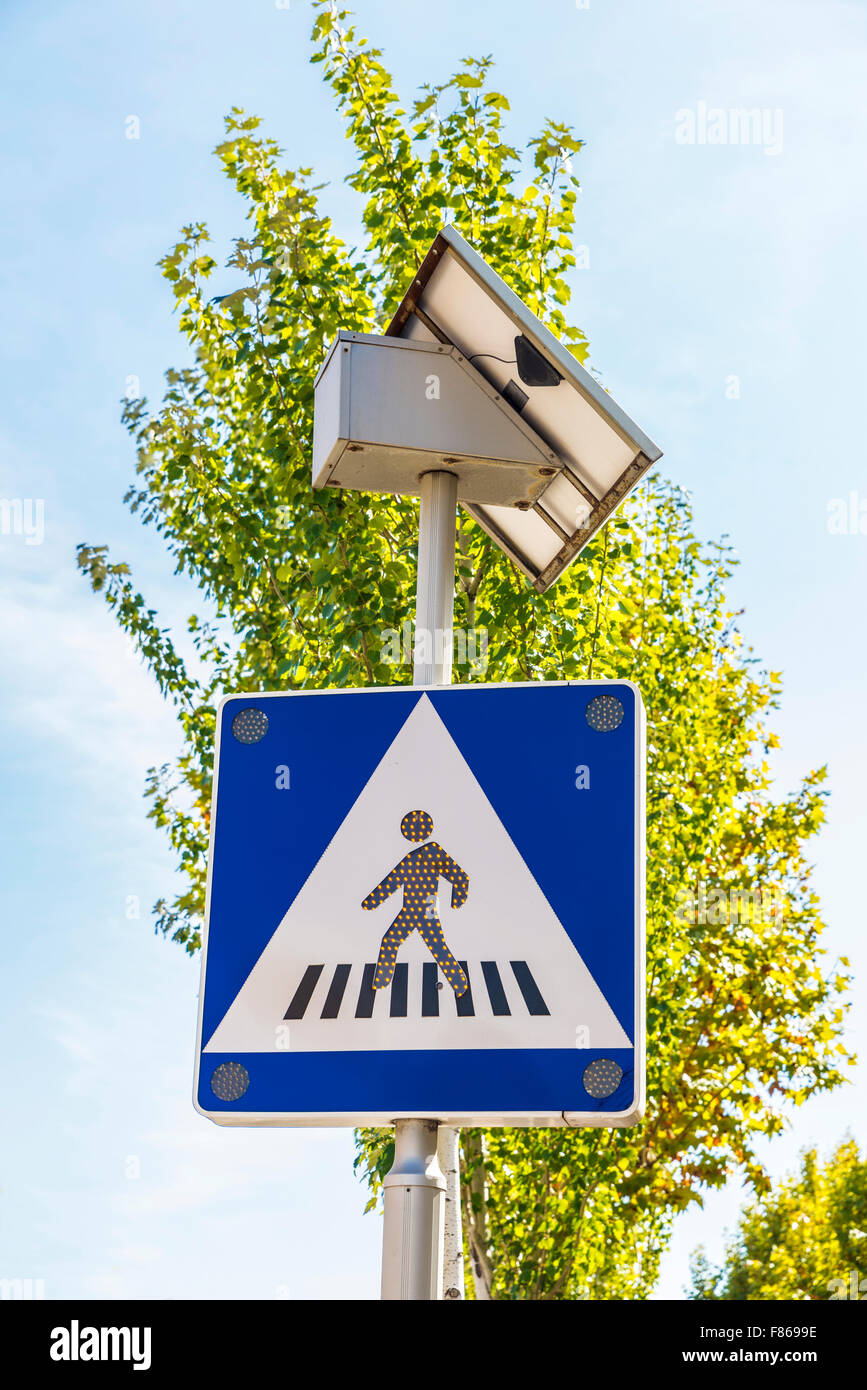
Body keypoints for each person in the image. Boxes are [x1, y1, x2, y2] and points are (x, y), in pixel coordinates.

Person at [361, 809, 469, 996]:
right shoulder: (422, 855)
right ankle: (382, 983)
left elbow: (460, 877)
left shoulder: (428, 854)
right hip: (417, 908)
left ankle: (459, 983)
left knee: (420, 944)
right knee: (405, 942)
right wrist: (371, 902)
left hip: (421, 908)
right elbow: (393, 882)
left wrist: (457, 900)